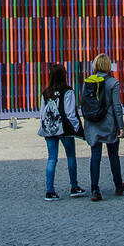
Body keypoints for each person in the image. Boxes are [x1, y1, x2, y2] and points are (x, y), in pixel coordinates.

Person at [81, 54, 124, 201]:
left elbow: (83, 104)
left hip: (93, 124)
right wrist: (121, 126)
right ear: (108, 66)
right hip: (109, 124)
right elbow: (117, 106)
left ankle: (95, 189)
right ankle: (118, 185)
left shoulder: (87, 82)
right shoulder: (113, 82)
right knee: (113, 155)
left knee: (95, 156)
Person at [38, 63, 85, 200]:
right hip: (64, 128)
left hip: (49, 129)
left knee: (52, 159)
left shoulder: (46, 92)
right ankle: (74, 187)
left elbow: (42, 113)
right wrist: (77, 128)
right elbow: (70, 114)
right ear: (64, 75)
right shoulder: (68, 91)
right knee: (71, 156)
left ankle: (50, 190)